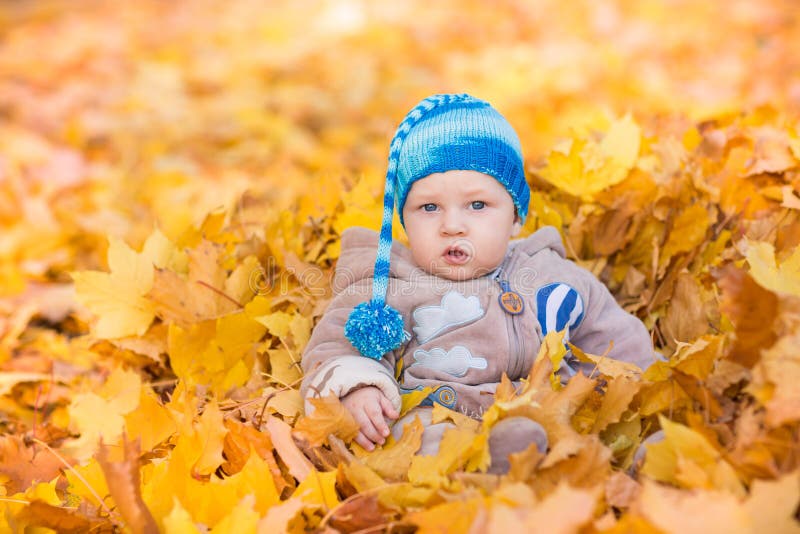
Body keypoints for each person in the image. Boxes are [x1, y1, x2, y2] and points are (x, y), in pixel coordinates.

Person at [300, 94, 654, 473]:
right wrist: (360, 387)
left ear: (515, 217)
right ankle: (485, 469)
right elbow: (337, 345)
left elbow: (617, 343)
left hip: (552, 413)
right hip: (441, 417)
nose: (452, 225)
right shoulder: (389, 283)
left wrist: (652, 386)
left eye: (477, 206)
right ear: (404, 221)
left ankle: (644, 465)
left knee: (596, 429)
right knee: (416, 439)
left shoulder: (553, 275)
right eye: (429, 208)